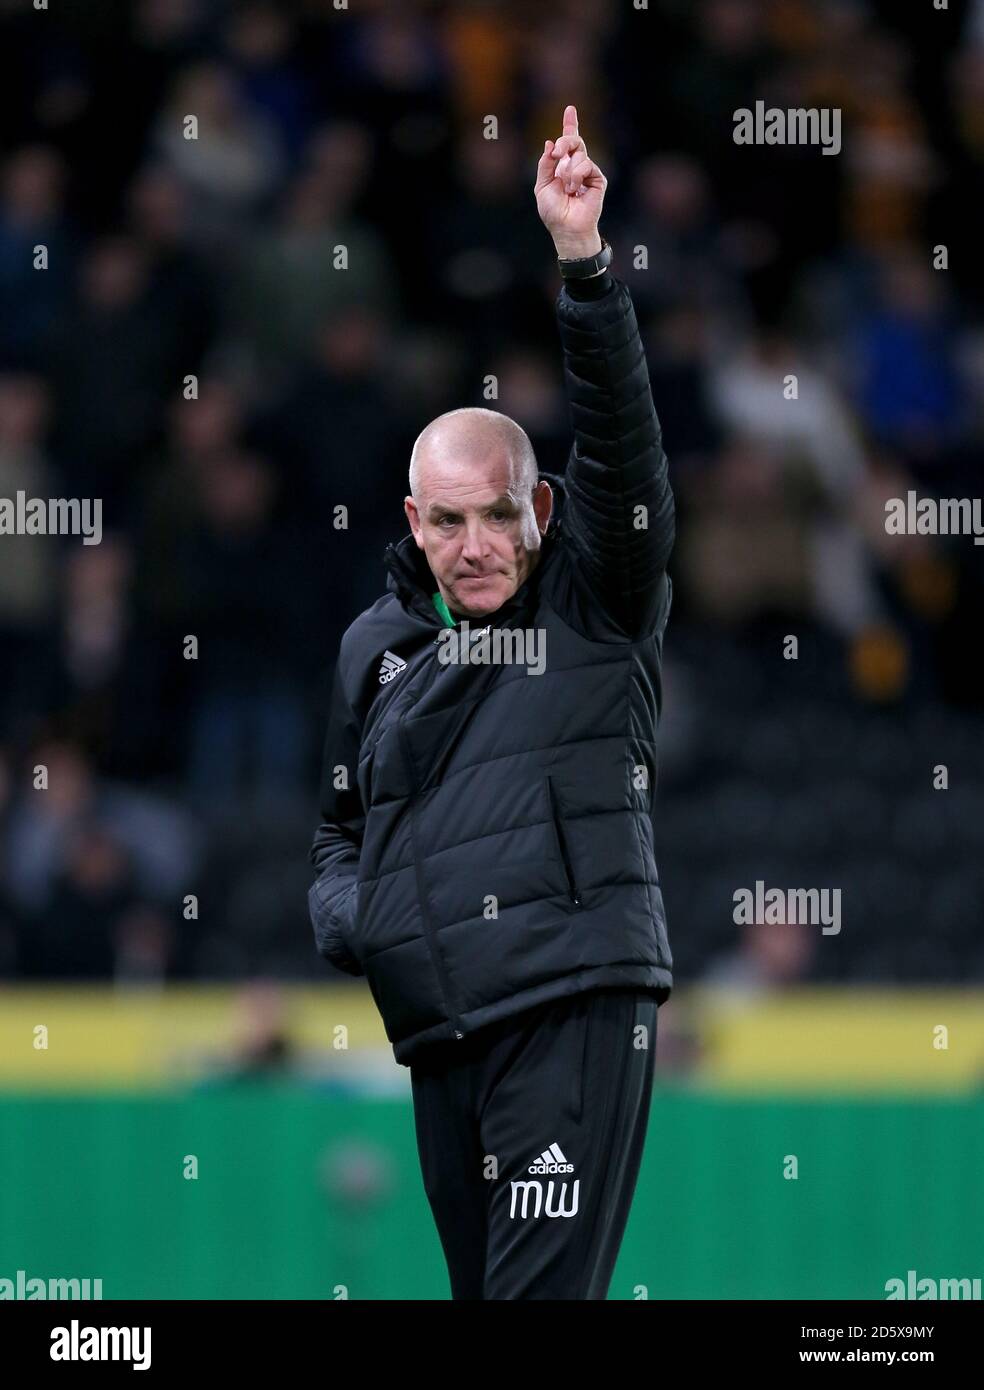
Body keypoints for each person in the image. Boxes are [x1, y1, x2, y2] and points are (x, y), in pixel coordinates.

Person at [309, 106, 675, 1300]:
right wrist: (366, 921)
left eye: (499, 513)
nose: (476, 545)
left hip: (570, 998)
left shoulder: (594, 604)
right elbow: (336, 835)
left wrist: (584, 266)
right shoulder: (375, 647)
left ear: (543, 511)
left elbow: (621, 446)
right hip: (441, 1032)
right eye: (449, 519)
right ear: (414, 521)